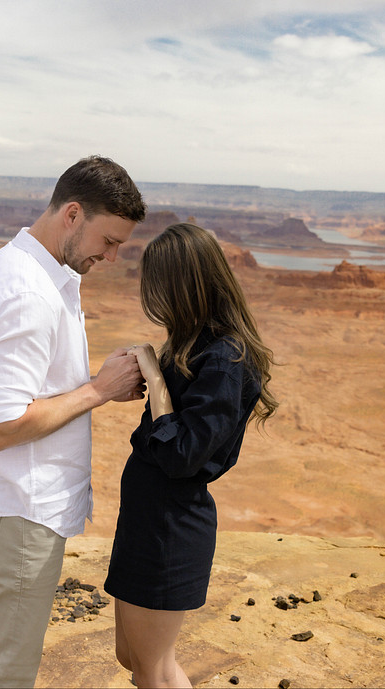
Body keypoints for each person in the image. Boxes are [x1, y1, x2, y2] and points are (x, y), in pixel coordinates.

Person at [0, 156, 147, 688]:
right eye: (108, 241)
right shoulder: (29, 295)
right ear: (72, 214)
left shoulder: (34, 266)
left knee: (10, 662)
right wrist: (98, 390)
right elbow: (0, 428)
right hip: (21, 508)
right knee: (6, 673)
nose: (110, 257)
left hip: (22, 506)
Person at [104, 222, 278, 688]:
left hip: (170, 526)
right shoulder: (192, 345)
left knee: (154, 672)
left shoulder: (224, 358)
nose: (153, 297)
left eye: (158, 285)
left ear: (186, 284)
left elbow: (182, 453)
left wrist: (155, 379)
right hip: (147, 521)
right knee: (133, 657)